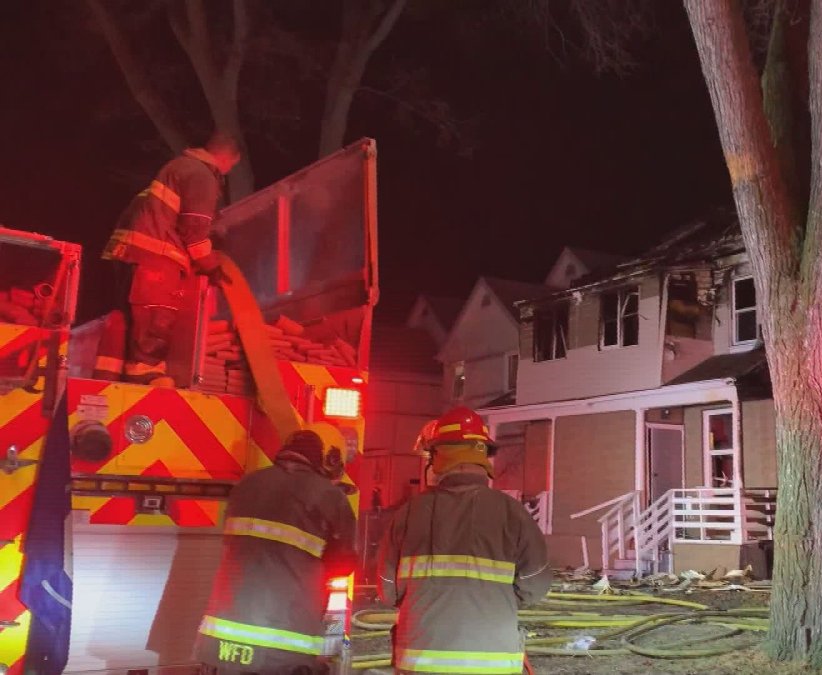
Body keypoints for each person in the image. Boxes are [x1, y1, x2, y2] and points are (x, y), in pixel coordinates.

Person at [378, 407, 552, 674]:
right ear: (483, 457)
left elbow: (387, 589)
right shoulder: (512, 513)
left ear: (438, 456)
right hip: (493, 661)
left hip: (420, 659)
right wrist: (495, 599)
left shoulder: (410, 514)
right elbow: (537, 583)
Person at [195, 424, 357, 675]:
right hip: (282, 649)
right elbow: (343, 564)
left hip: (220, 644)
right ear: (330, 458)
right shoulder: (330, 496)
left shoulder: (247, 485)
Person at [94, 131, 242, 386]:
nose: (227, 173)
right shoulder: (202, 176)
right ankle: (146, 375)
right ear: (229, 158)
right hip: (157, 256)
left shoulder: (177, 168)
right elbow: (194, 230)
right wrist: (210, 266)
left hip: (131, 254)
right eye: (231, 167)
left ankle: (110, 378)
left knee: (128, 321)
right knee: (157, 316)